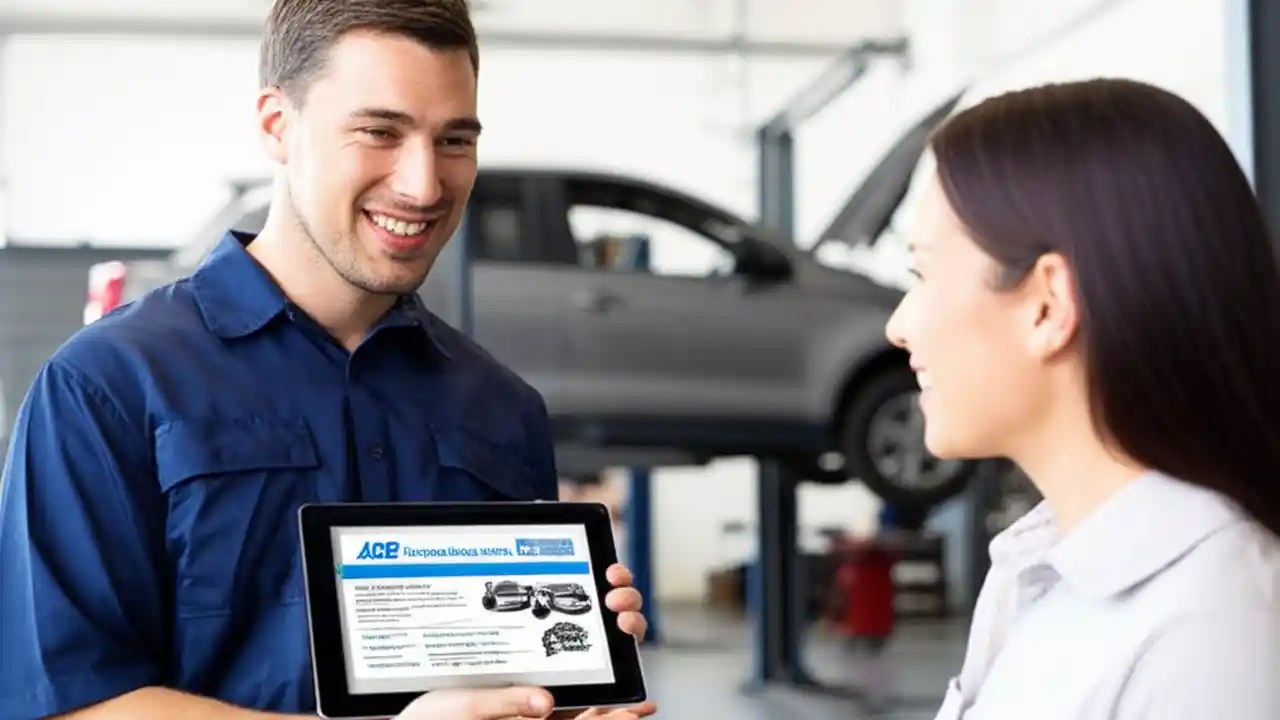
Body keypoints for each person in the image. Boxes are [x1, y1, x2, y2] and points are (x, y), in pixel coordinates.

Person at [0, 2, 655, 719]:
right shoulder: (108, 385)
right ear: (277, 124)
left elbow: (500, 687)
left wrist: (568, 696)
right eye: (380, 132)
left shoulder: (501, 406)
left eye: (454, 140)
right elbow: (67, 703)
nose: (424, 185)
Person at [885, 77, 1280, 719]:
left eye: (921, 274)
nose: (898, 326)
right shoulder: (1037, 572)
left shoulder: (1214, 630)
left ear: (1048, 305)